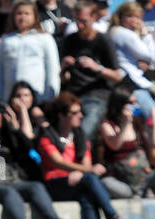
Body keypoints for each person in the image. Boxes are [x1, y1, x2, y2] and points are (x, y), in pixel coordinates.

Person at [39, 91, 140, 219]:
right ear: (61, 116)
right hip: (54, 184)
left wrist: (81, 171)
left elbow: (86, 164)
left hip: (77, 182)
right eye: (75, 113)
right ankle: (115, 218)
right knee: (91, 179)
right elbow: (57, 162)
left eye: (80, 112)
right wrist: (84, 170)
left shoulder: (79, 135)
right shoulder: (47, 135)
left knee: (87, 197)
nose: (81, 116)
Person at [58, 0, 123, 139]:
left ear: (94, 17)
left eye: (83, 21)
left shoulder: (103, 40)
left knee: (85, 130)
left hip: (96, 94)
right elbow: (63, 79)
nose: (80, 25)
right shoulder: (69, 40)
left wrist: (97, 68)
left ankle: (81, 156)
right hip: (72, 93)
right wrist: (64, 67)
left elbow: (117, 76)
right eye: (76, 21)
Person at [0, 0, 60, 102]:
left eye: (27, 13)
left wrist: (51, 97)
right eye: (19, 13)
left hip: (37, 97)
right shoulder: (6, 39)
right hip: (10, 98)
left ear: (35, 16)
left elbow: (52, 69)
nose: (23, 17)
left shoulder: (45, 38)